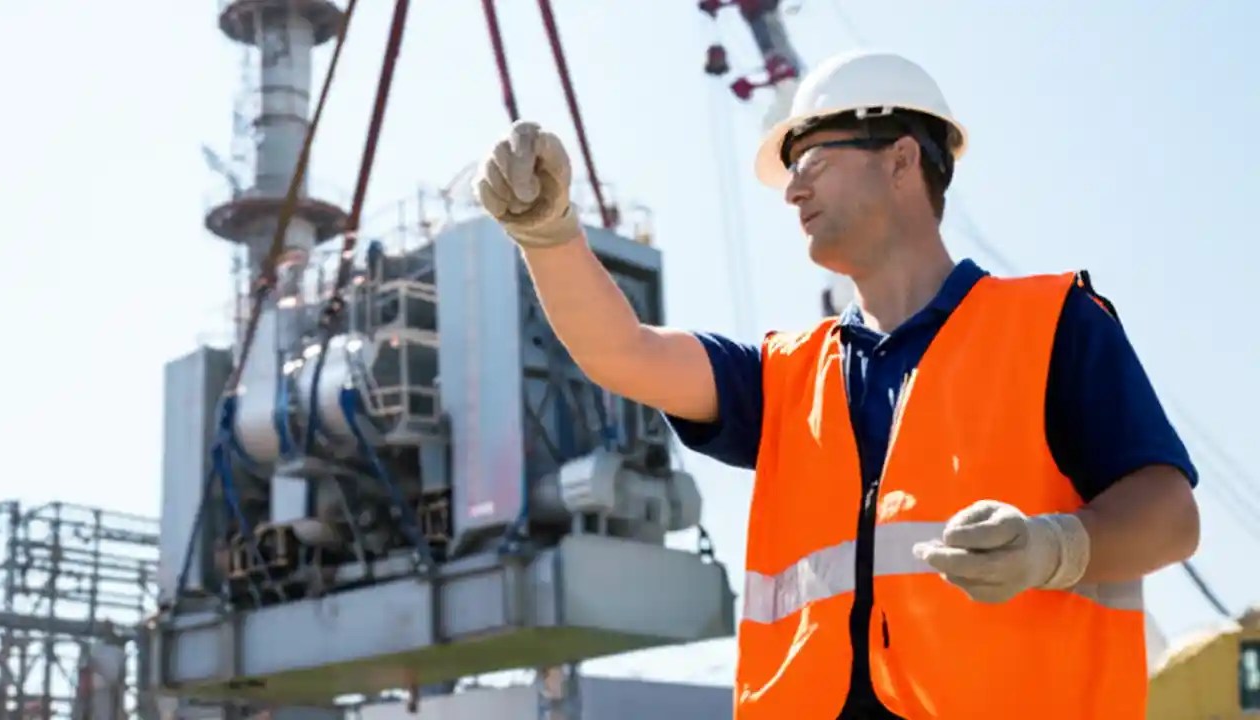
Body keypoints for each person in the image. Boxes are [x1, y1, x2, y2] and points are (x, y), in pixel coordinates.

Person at [472, 49, 1200, 719]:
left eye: (811, 159)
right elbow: (623, 353)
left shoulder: (1053, 325)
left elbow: (1170, 515)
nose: (792, 190)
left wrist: (1055, 548)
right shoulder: (786, 375)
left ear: (903, 159)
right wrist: (549, 232)